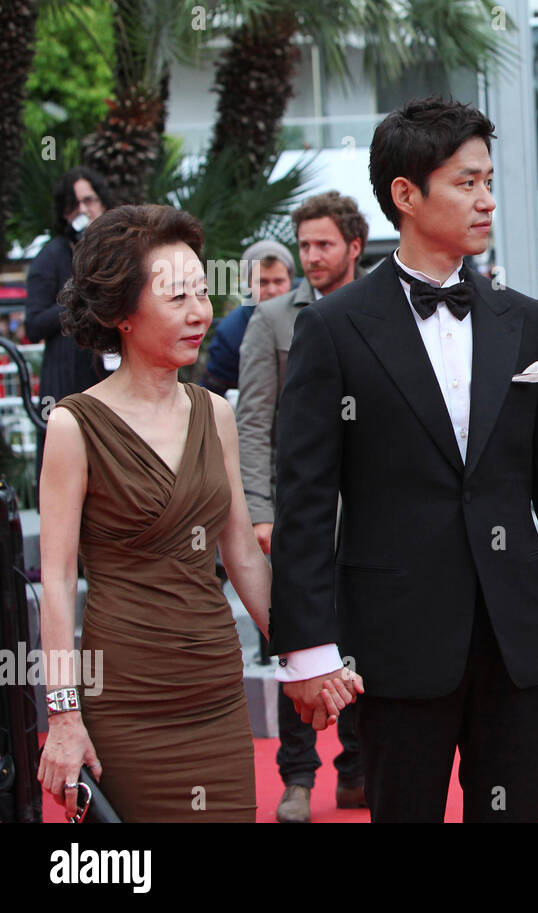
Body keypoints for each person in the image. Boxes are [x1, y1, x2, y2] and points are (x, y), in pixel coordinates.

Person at [269, 96, 538, 823]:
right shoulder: (334, 328)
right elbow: (305, 494)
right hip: (395, 638)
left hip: (514, 630)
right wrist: (306, 644)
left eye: (489, 180)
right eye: (467, 182)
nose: (487, 199)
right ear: (406, 194)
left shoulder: (522, 317)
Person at [34, 205, 353, 821]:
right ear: (123, 313)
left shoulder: (216, 414)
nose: (200, 312)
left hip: (213, 688)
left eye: (203, 292)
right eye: (177, 296)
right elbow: (54, 581)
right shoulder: (75, 424)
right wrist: (65, 716)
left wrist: (308, 656)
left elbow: (241, 556)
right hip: (124, 695)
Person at [236, 193, 369, 824]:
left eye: (323, 244)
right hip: (296, 516)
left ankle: (357, 772)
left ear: (354, 246)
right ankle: (296, 779)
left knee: (366, 645)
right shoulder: (271, 320)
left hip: (371, 514)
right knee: (296, 643)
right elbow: (253, 423)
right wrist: (261, 513)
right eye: (305, 246)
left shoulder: (380, 308)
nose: (312, 256)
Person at [25, 167, 116, 495]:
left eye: (89, 200)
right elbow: (33, 323)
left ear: (103, 202)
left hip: (112, 382)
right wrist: (80, 296)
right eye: (74, 204)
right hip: (67, 385)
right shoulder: (51, 257)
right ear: (64, 214)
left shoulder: (116, 253)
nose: (84, 210)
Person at [200, 239, 296, 395]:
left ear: (290, 281)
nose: (272, 290)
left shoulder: (311, 311)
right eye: (263, 282)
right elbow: (212, 394)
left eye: (279, 281)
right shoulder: (230, 333)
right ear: (249, 283)